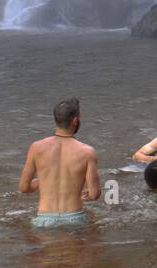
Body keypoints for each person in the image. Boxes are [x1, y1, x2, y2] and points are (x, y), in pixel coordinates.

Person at [19, 97, 101, 229]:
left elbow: (24, 188)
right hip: (75, 218)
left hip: (44, 219)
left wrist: (43, 180)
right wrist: (88, 194)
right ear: (75, 120)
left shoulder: (36, 147)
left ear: (56, 119)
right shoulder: (87, 152)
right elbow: (94, 194)